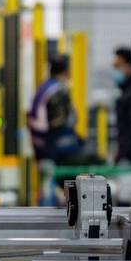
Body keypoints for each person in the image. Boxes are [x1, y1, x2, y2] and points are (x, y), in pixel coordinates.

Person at [27, 55, 84, 206]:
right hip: (52, 145)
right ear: (67, 72)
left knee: (48, 184)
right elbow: (64, 121)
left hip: (40, 144)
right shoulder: (58, 91)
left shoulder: (43, 88)